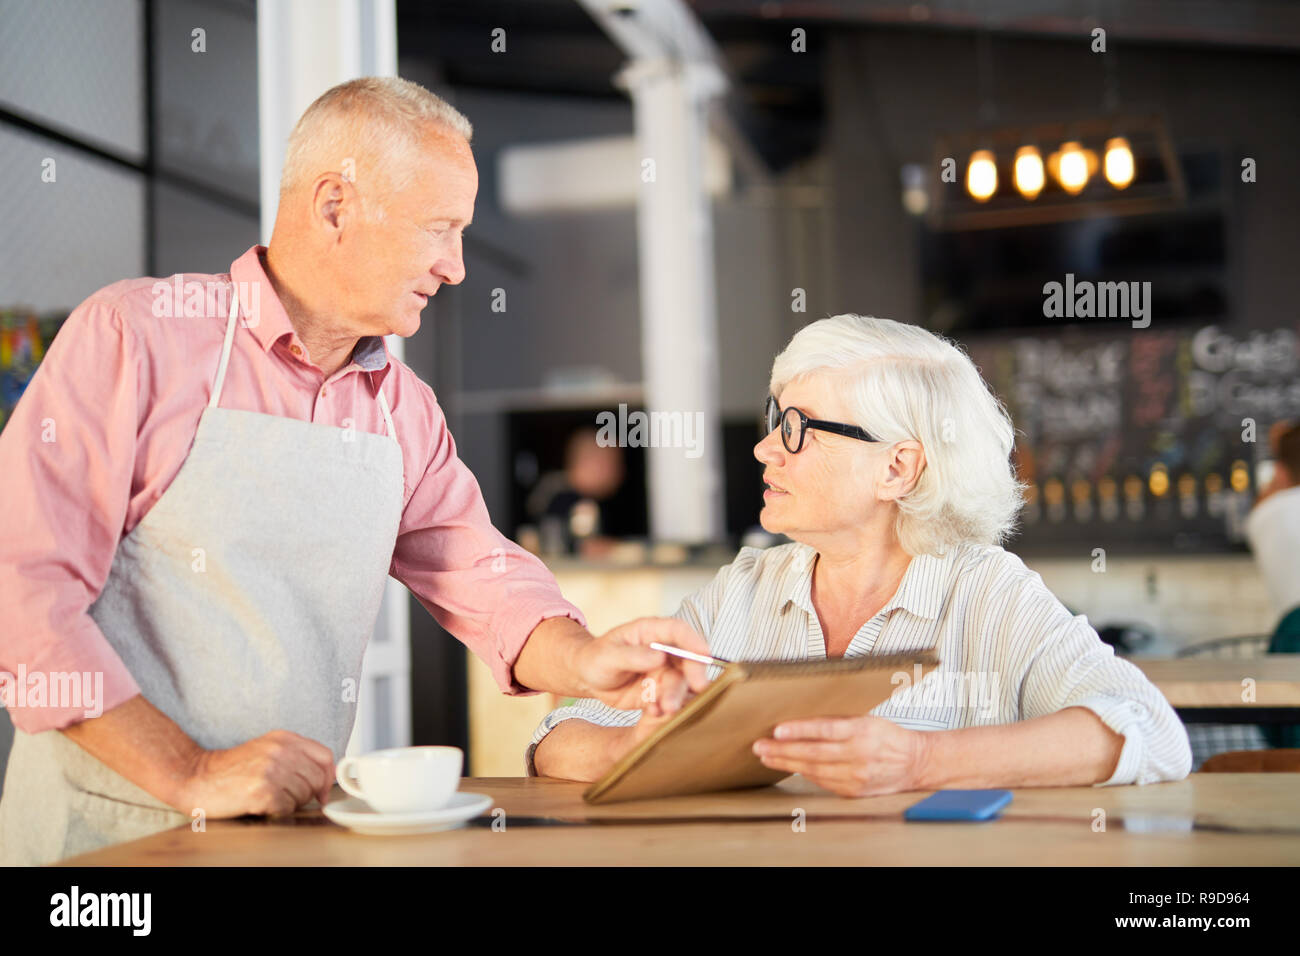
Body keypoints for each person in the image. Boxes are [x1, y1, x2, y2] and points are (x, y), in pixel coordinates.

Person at [0, 77, 707, 865]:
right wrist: (189, 772)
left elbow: (486, 577)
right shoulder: (136, 336)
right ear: (335, 205)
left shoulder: (404, 409)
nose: (457, 266)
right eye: (441, 229)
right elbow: (21, 596)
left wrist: (587, 659)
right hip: (103, 844)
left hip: (283, 836)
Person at [528, 314, 1192, 794]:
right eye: (772, 420)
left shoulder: (986, 591)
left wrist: (921, 763)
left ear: (897, 469)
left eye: (797, 428)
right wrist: (636, 748)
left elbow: (1151, 731)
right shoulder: (744, 591)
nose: (765, 449)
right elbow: (557, 738)